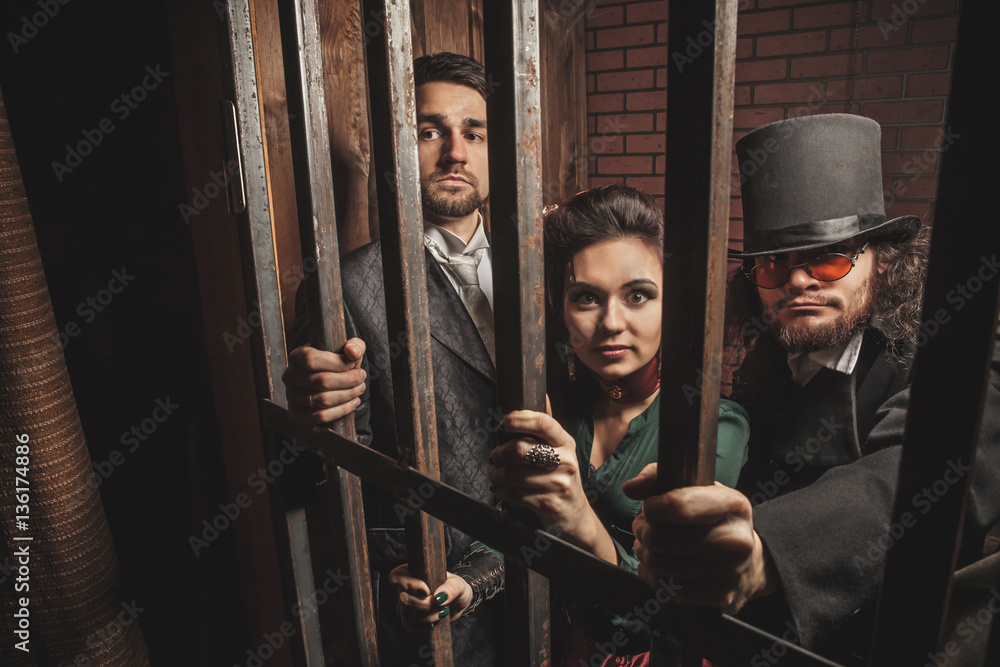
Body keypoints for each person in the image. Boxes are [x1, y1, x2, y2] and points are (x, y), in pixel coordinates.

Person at [624, 113, 1000, 662]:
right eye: (774, 265)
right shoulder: (768, 358)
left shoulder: (954, 353)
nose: (797, 281)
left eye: (827, 258)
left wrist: (764, 553)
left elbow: (913, 476)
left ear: (882, 261)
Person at [389, 185, 750, 664]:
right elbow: (518, 515)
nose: (612, 322)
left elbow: (667, 608)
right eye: (587, 298)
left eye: (638, 295)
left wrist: (574, 509)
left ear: (673, 304)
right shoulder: (555, 394)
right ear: (562, 306)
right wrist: (463, 583)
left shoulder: (714, 428)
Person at [281, 52, 504, 666]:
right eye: (430, 130)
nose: (455, 151)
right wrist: (307, 420)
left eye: (474, 132)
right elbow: (311, 478)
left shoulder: (546, 264)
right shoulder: (345, 285)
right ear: (398, 149)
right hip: (435, 591)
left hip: (558, 567)